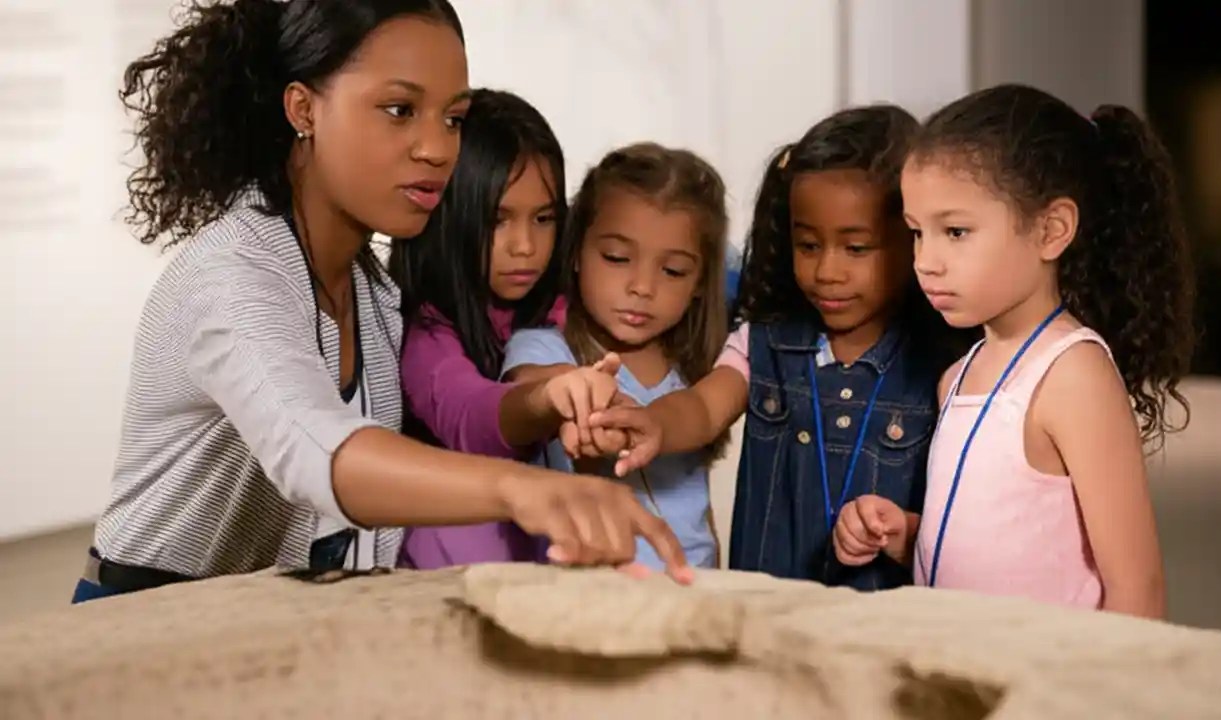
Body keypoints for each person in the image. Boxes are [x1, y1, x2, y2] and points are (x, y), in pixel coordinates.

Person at [75, 0, 688, 604]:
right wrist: (522, 489)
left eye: (451, 119)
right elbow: (320, 452)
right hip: (142, 621)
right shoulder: (233, 274)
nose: (437, 149)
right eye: (400, 110)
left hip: (261, 623)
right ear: (303, 109)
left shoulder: (372, 289)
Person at [584, 107, 968, 589]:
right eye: (808, 245)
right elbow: (703, 407)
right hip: (763, 616)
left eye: (856, 248)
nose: (827, 270)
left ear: (912, 239)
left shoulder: (947, 366)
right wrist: (655, 423)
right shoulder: (764, 341)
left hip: (886, 629)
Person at [901, 84, 1194, 617]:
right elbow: (1003, 544)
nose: (926, 260)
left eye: (956, 231)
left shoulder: (1073, 376)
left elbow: (1138, 588)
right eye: (917, 233)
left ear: (1052, 230)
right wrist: (907, 535)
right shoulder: (957, 378)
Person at [502, 143, 731, 571]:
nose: (642, 286)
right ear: (574, 253)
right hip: (587, 602)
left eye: (673, 270)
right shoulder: (542, 348)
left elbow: (697, 517)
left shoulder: (696, 373)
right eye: (617, 258)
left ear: (701, 281)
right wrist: (583, 405)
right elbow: (538, 391)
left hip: (692, 597)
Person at [392, 88, 581, 568]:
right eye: (499, 220)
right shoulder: (427, 329)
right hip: (453, 553)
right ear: (449, 216)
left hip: (555, 554)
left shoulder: (565, 306)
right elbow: (466, 414)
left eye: (543, 219)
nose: (525, 246)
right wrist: (548, 399)